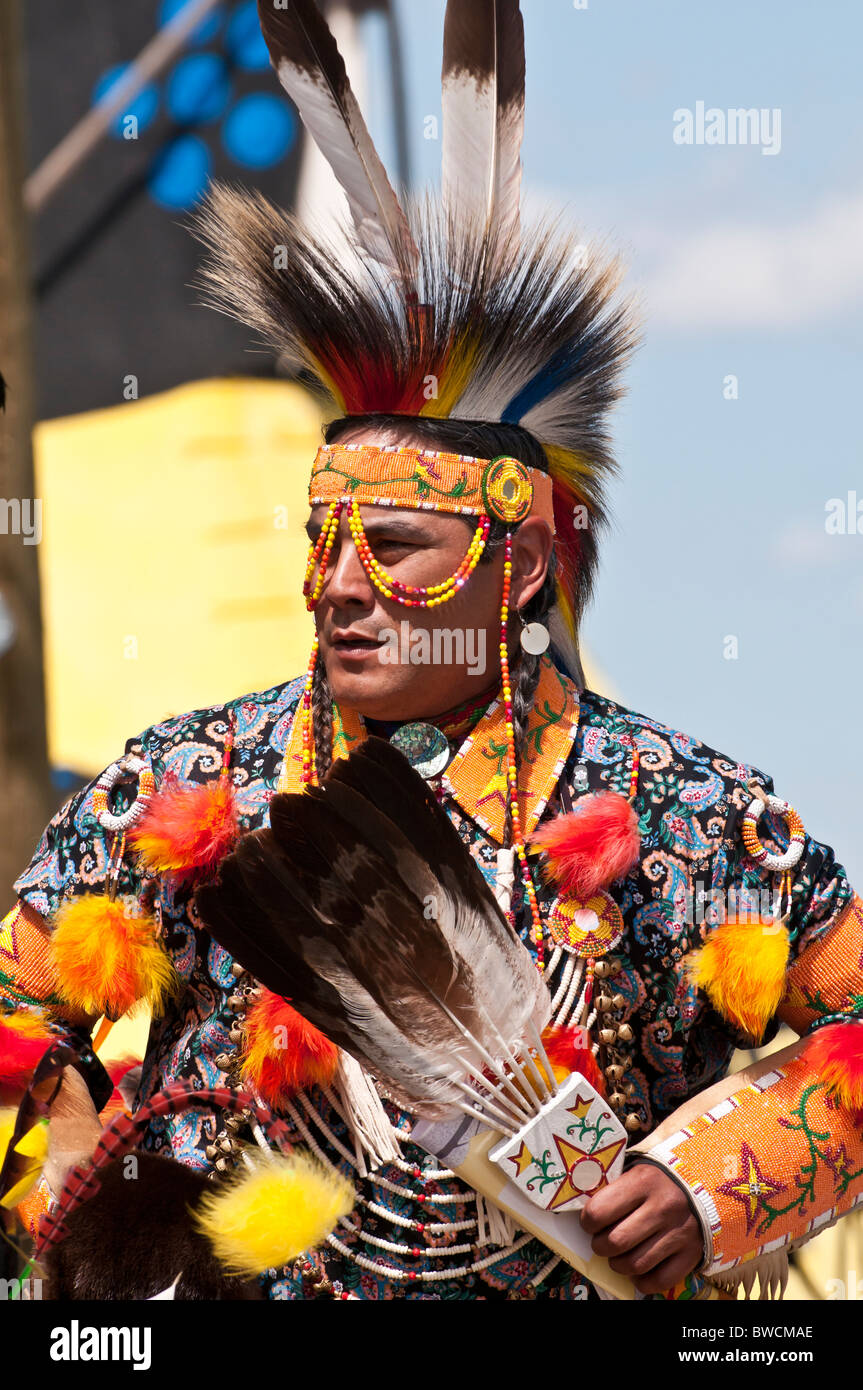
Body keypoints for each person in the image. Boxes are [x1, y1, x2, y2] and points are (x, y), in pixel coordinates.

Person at [2, 0, 862, 1302]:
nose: (340, 584)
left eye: (395, 545)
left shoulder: (686, 818)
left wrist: (710, 1180)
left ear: (517, 563)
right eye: (321, 536)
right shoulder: (181, 791)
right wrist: (97, 1206)